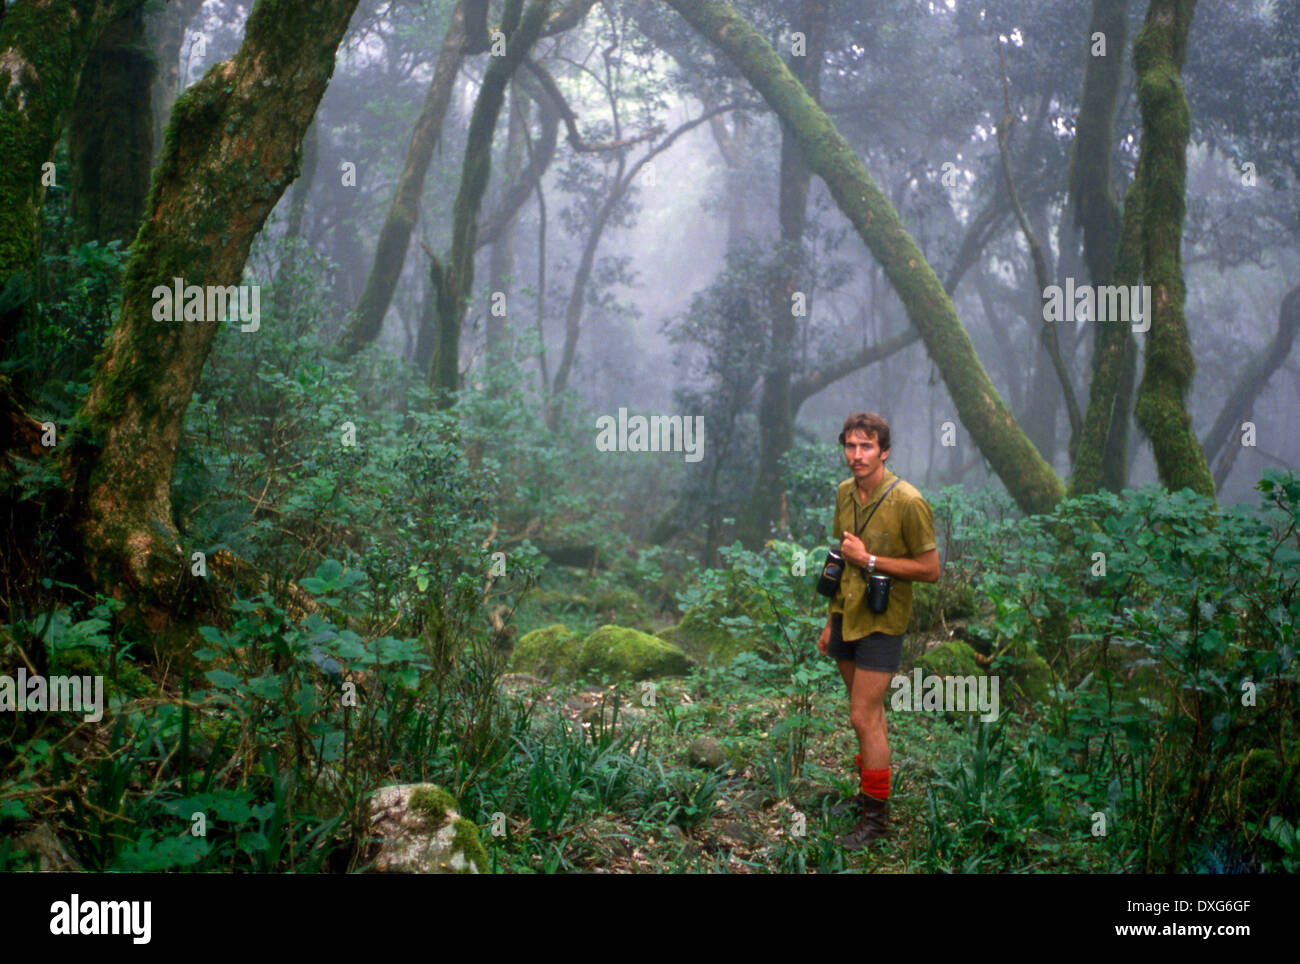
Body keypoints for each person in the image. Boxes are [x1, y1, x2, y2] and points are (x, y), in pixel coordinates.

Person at [818, 412, 939, 849]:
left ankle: (877, 821)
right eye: (850, 446)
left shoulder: (908, 501)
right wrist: (829, 621)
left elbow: (930, 570)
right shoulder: (844, 493)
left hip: (883, 622)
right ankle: (870, 797)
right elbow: (840, 557)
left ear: (884, 451)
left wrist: (871, 560)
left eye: (866, 446)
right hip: (847, 616)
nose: (856, 455)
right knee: (868, 717)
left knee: (861, 715)